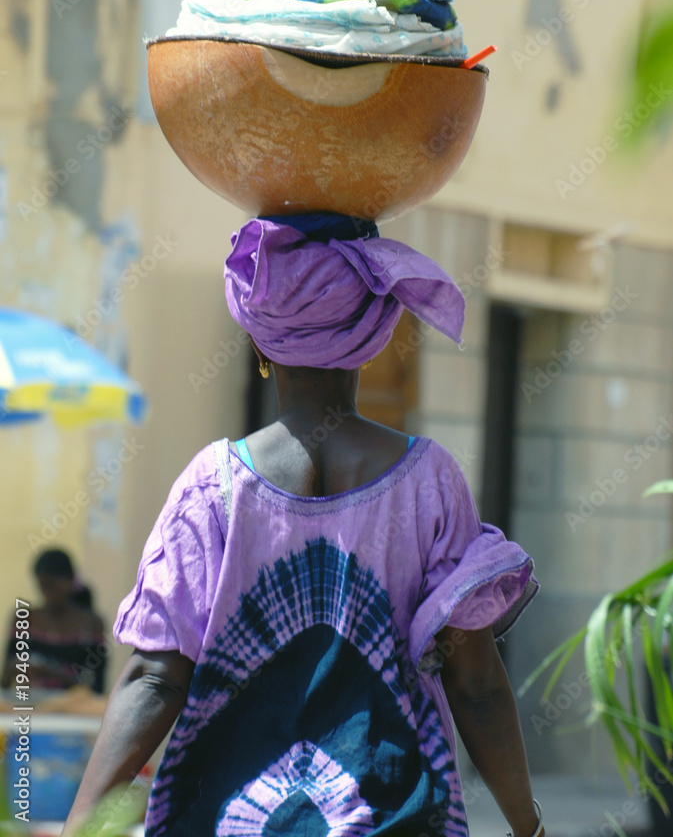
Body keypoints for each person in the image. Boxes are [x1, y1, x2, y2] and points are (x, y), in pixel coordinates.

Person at [62, 215, 545, 837]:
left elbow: (156, 678)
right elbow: (474, 684)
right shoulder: (430, 480)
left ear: (261, 348)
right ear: (369, 338)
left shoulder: (212, 487)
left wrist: (78, 826)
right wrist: (526, 826)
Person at [1, 548, 107, 694]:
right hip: (31, 705)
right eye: (43, 586)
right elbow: (4, 683)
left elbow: (96, 689)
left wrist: (52, 673)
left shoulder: (91, 625)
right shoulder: (24, 618)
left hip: (73, 711)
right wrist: (16, 668)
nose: (48, 594)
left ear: (70, 582)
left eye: (53, 586)